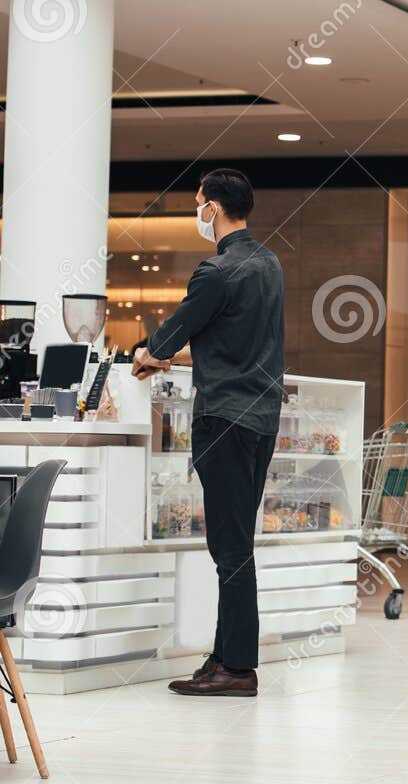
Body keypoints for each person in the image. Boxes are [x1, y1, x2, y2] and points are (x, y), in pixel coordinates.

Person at [133, 168, 285, 698]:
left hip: (223, 416)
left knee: (230, 546)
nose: (197, 212)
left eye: (198, 203)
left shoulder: (216, 271)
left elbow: (176, 329)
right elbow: (235, 342)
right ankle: (224, 656)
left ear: (214, 208)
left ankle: (238, 668)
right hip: (261, 418)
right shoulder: (269, 265)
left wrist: (149, 354)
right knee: (235, 540)